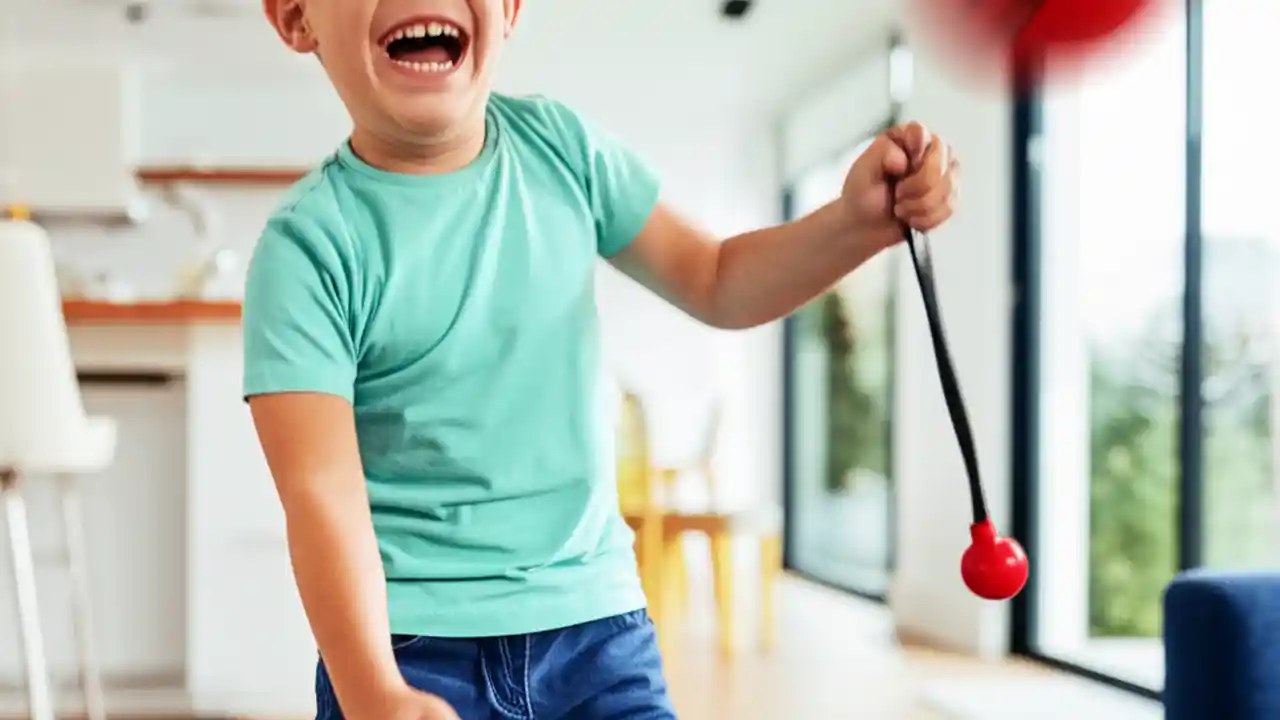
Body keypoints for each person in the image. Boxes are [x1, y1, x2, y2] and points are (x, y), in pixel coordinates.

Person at [243, 1, 959, 718]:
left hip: (596, 634)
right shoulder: (306, 249)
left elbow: (715, 278)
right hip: (408, 651)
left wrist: (853, 226)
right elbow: (320, 493)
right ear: (297, 18)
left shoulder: (562, 148)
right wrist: (373, 692)